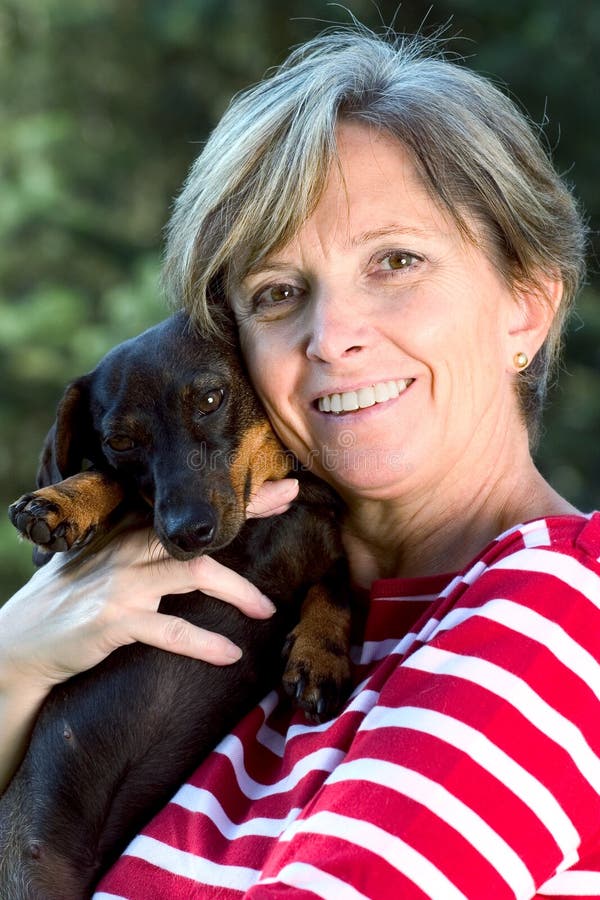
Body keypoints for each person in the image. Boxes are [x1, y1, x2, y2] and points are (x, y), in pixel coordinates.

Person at [1, 24, 598, 900]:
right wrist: (14, 662)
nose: (332, 338)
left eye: (397, 262)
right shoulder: (235, 626)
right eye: (278, 293)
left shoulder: (562, 621)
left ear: (525, 307)